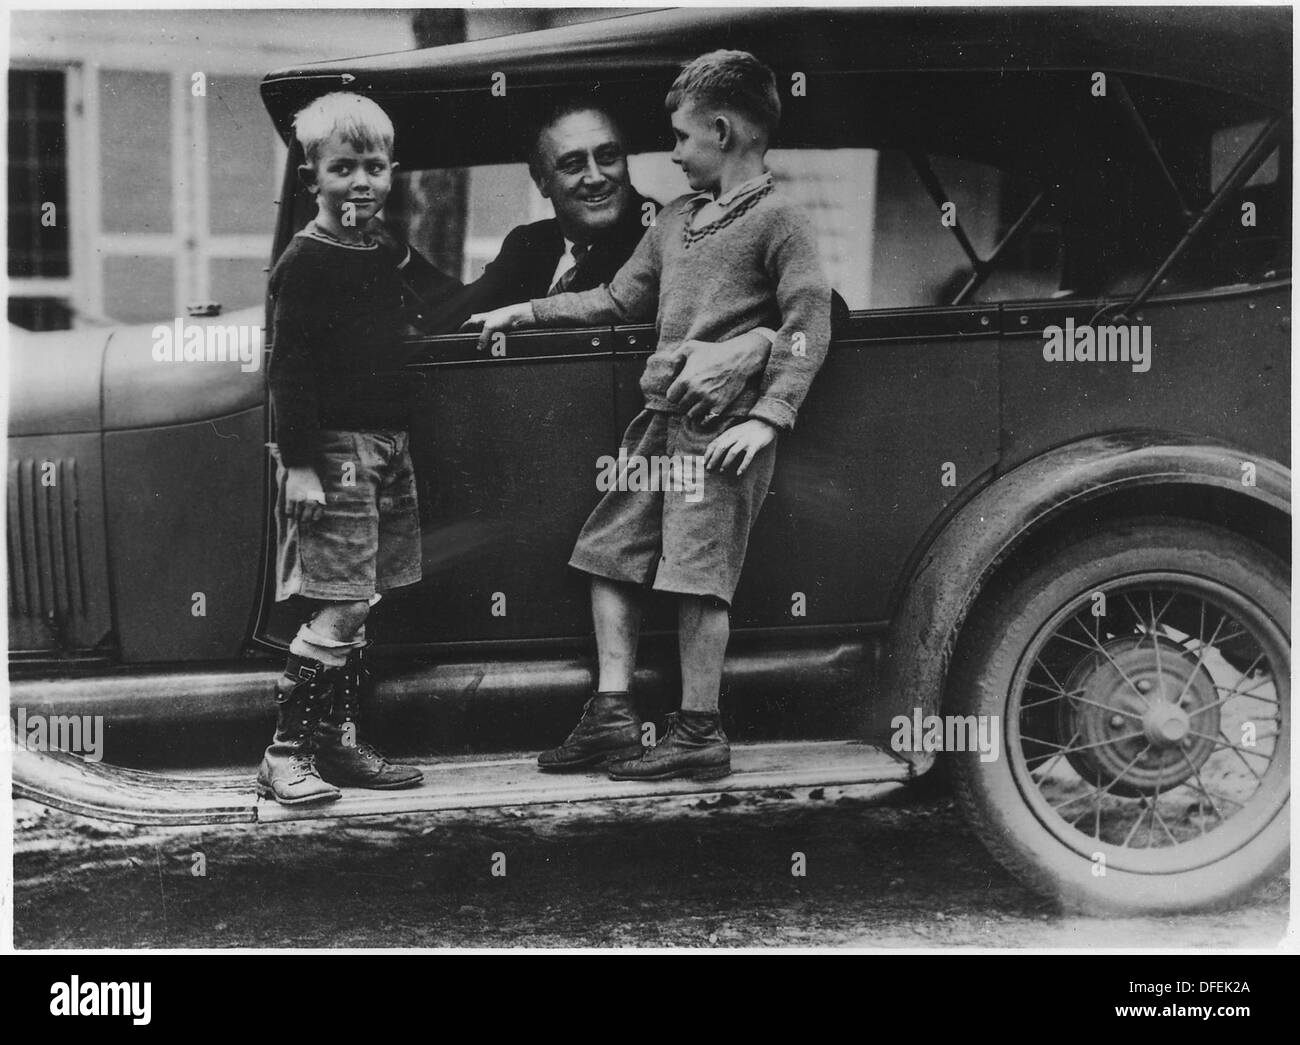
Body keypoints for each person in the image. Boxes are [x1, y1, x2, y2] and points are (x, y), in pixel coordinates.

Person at [469, 50, 832, 781]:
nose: (671, 154)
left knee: (697, 576)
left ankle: (699, 730)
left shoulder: (781, 221)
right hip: (658, 419)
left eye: (681, 137)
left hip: (721, 429)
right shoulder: (675, 219)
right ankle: (612, 714)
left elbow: (809, 320)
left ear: (722, 133)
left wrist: (768, 416)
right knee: (607, 550)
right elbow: (616, 299)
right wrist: (525, 311)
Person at [404, 96, 776, 424]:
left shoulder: (672, 232)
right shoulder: (530, 244)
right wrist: (399, 257)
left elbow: (794, 312)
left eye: (608, 157)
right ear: (541, 181)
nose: (596, 177)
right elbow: (460, 318)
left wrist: (757, 344)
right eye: (573, 164)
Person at [259, 92, 426, 804]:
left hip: (388, 447)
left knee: (362, 600)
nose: (362, 182)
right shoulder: (305, 260)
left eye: (375, 167)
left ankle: (337, 745)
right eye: (343, 168)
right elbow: (289, 369)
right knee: (343, 601)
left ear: (392, 173)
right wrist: (299, 465)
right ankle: (284, 754)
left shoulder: (379, 250)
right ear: (312, 178)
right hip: (334, 456)